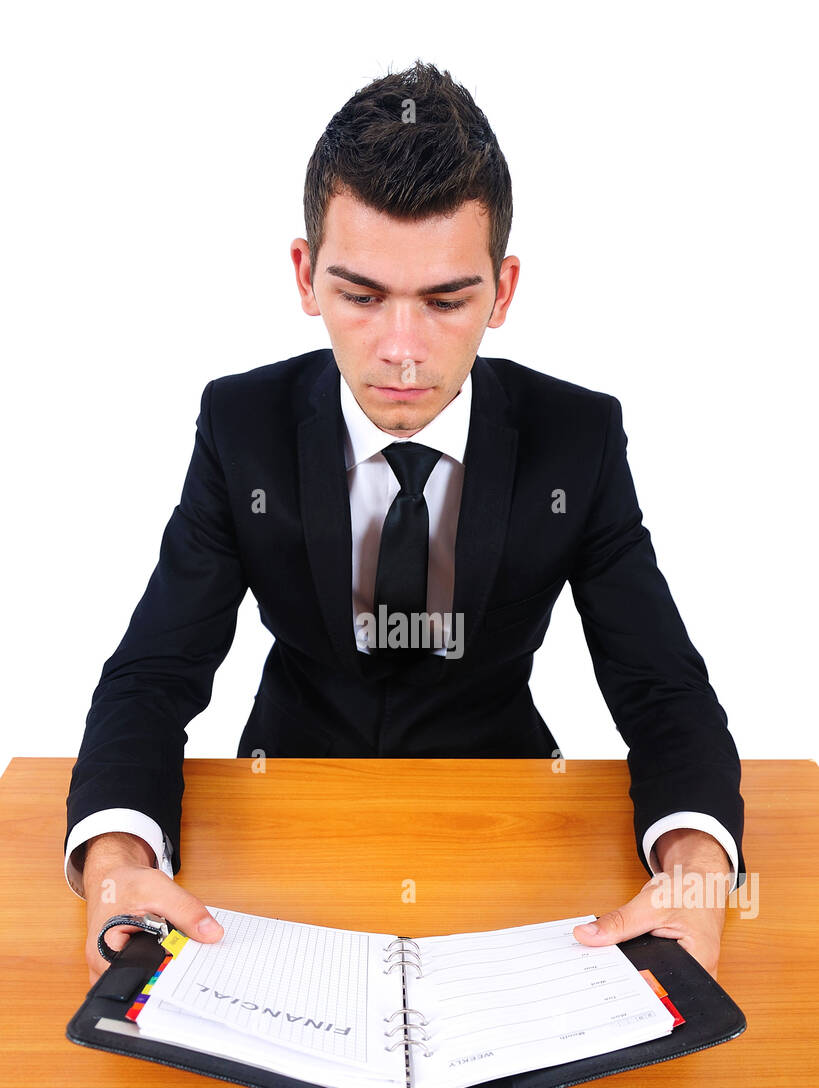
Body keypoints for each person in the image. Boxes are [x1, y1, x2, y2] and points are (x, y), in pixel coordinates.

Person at [65, 60, 742, 987]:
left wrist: (698, 872)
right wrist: (113, 859)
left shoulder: (576, 439)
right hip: (286, 815)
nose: (400, 350)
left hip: (499, 821)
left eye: (445, 301)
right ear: (306, 278)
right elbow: (154, 671)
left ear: (501, 293)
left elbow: (661, 686)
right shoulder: (241, 425)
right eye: (361, 294)